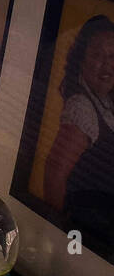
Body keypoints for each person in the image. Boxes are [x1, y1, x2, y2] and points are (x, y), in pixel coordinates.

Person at [43, 15, 114, 243]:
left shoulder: (106, 102)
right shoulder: (81, 108)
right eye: (97, 55)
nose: (107, 64)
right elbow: (54, 178)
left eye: (113, 56)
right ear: (81, 60)